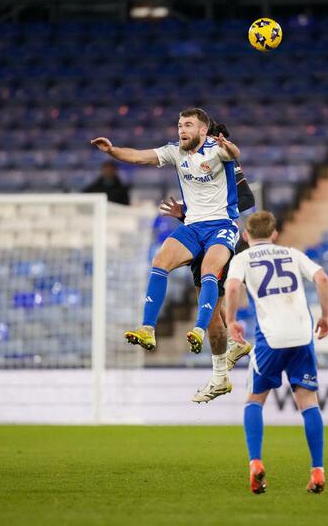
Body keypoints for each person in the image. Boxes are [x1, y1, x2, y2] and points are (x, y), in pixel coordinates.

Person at [91, 107, 241, 401]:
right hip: (193, 226)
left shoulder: (216, 151)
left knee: (210, 270)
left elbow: (234, 154)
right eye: (179, 125)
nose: (181, 129)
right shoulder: (175, 152)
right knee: (159, 262)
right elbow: (138, 156)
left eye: (187, 125)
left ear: (202, 130)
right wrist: (112, 151)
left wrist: (229, 146)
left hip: (222, 226)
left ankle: (198, 329)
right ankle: (147, 328)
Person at [224, 210, 328, 495]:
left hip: (270, 338)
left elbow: (232, 286)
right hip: (301, 334)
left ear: (245, 237)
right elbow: (322, 279)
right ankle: (317, 470)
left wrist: (231, 320)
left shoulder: (242, 258)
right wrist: (326, 316)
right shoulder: (292, 254)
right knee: (309, 403)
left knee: (254, 401)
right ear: (274, 234)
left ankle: (256, 463)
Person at [157, 120, 254, 402]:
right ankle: (234, 348)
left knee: (210, 310)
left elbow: (245, 198)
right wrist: (186, 213)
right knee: (210, 305)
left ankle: (220, 377)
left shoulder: (222, 161)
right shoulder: (195, 162)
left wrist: (192, 212)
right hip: (203, 235)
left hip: (219, 236)